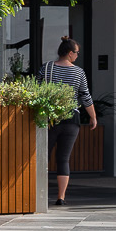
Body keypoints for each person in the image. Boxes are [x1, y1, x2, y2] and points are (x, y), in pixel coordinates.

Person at [47, 36, 94, 207]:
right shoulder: (78, 72)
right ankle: (61, 197)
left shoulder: (47, 68)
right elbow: (85, 96)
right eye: (76, 53)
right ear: (69, 53)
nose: (77, 55)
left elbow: (37, 90)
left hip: (50, 117)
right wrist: (93, 117)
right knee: (63, 159)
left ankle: (38, 193)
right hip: (71, 119)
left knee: (43, 156)